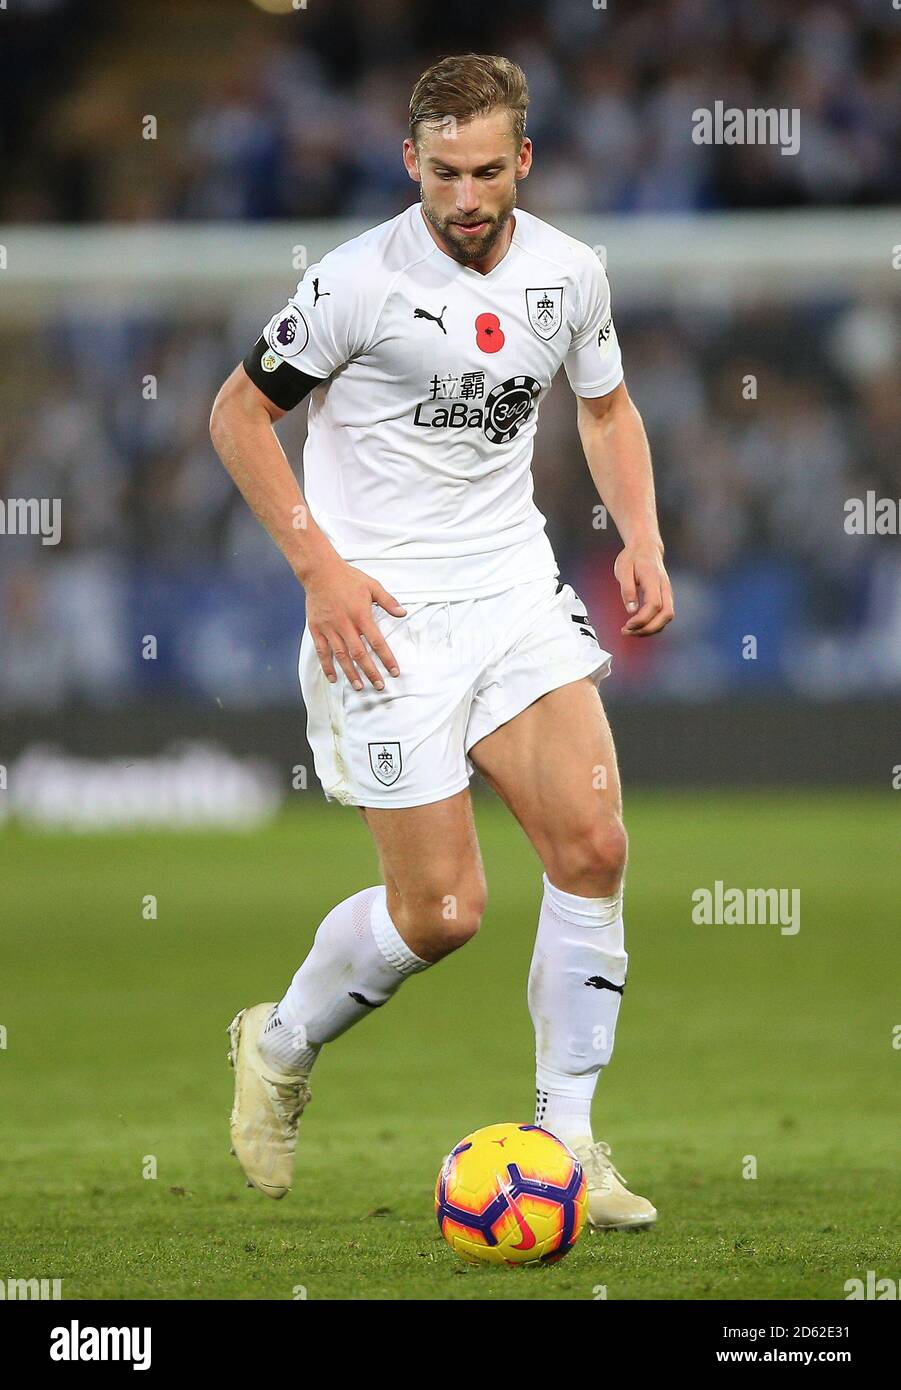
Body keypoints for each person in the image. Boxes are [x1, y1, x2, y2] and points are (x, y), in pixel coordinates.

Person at [210, 53, 674, 1230]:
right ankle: (279, 1042)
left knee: (594, 845)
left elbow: (606, 404)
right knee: (442, 915)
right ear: (409, 161)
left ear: (522, 160)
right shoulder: (355, 281)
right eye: (442, 174)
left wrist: (642, 538)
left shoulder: (571, 273)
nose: (465, 199)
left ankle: (567, 1144)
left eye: (486, 173)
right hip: (383, 613)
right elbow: (236, 415)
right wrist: (320, 569)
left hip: (511, 585)